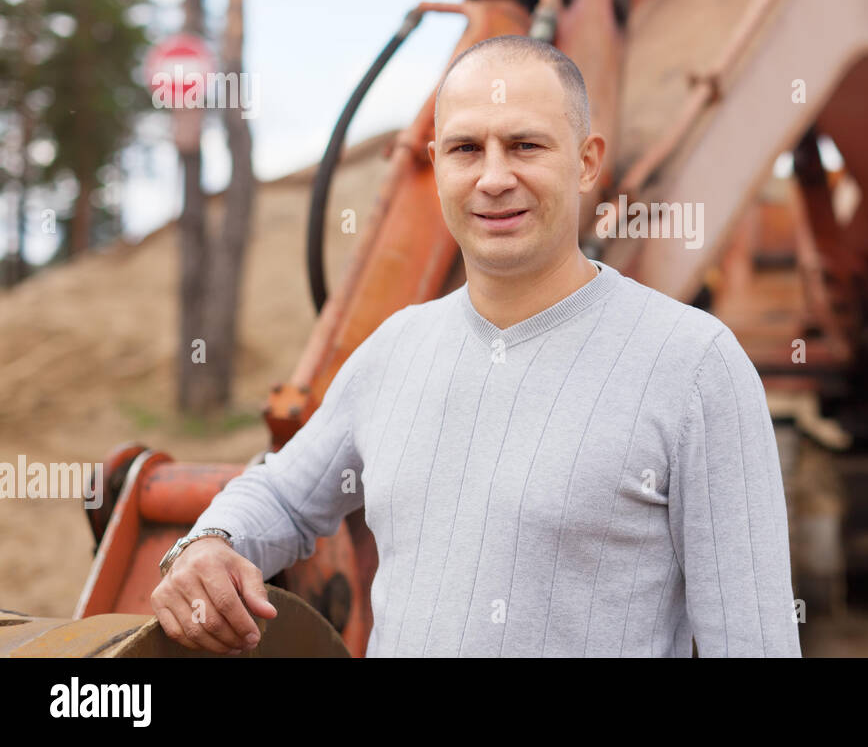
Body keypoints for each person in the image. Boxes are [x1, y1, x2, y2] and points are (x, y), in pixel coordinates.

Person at [151, 35, 801, 657]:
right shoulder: (394, 351)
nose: (493, 177)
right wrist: (212, 540)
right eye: (466, 148)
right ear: (435, 166)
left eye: (524, 145)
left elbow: (752, 644)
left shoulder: (693, 366)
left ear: (586, 160)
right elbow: (285, 497)